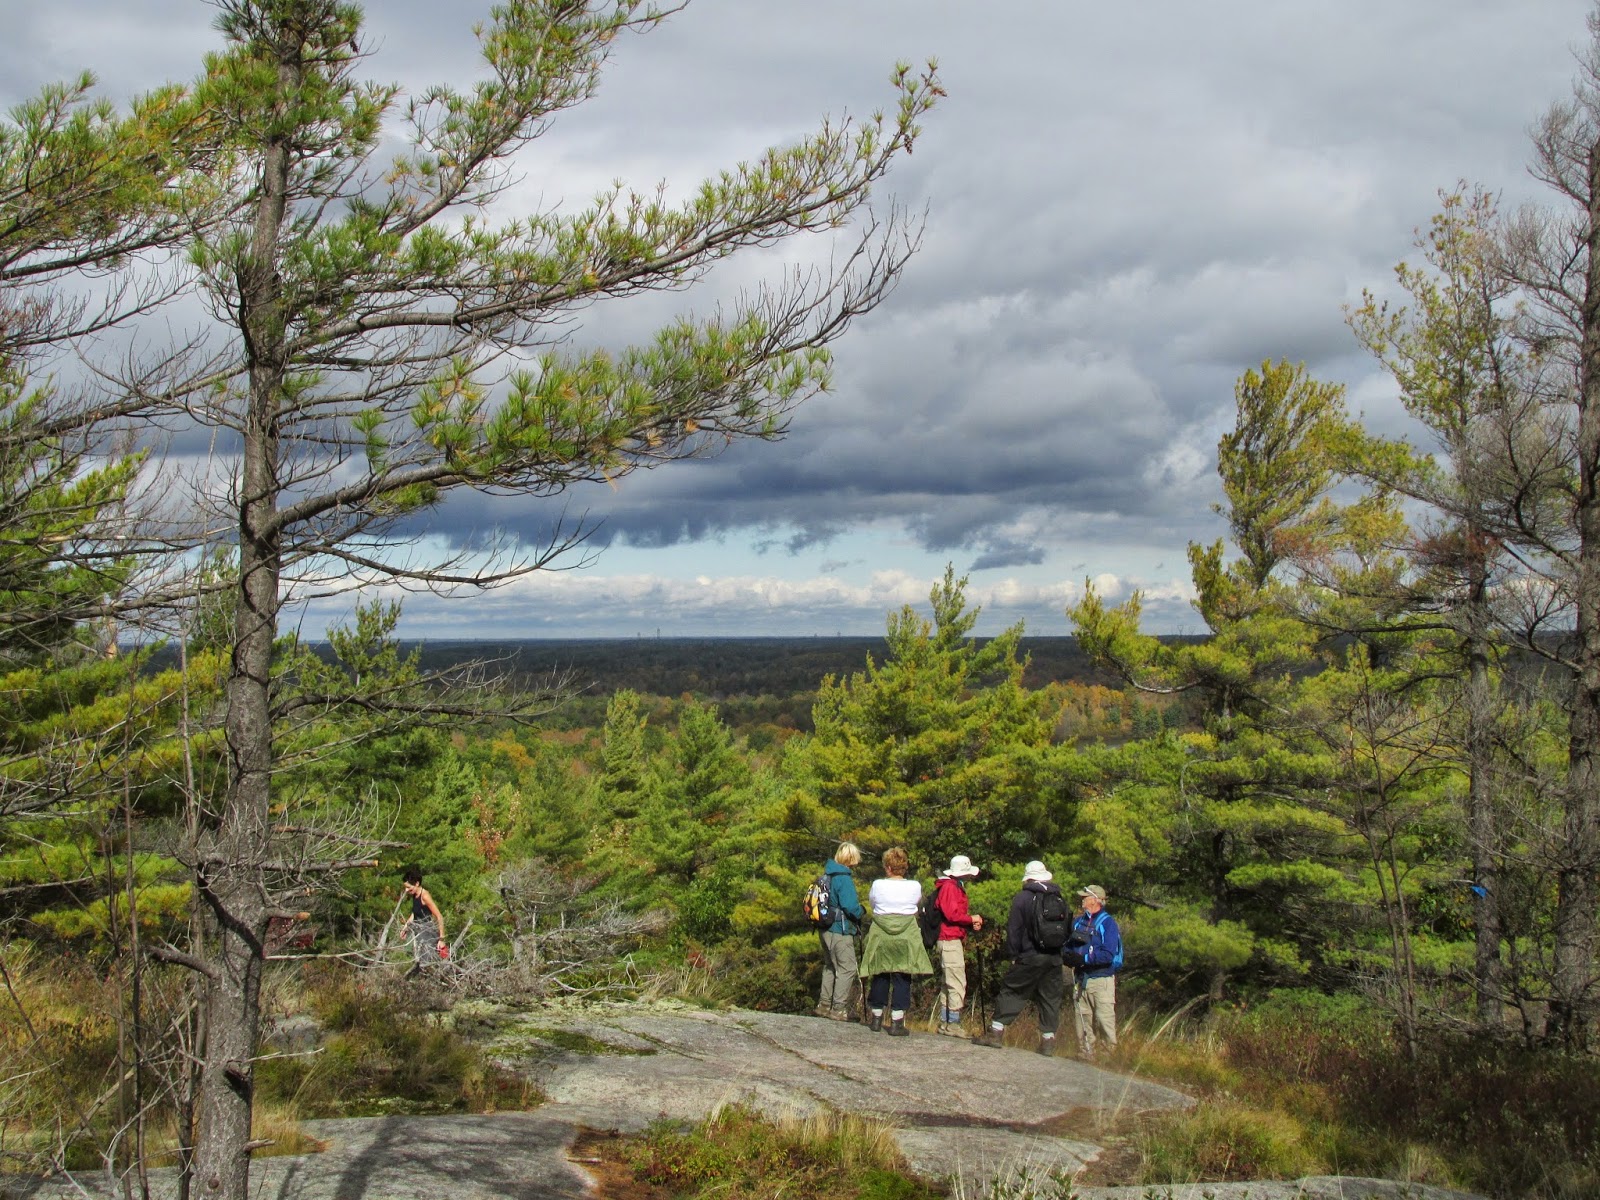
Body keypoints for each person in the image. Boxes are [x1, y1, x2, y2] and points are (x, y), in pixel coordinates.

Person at [974, 860, 1067, 1055]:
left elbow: (1014, 929)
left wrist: (1013, 954)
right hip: (1054, 957)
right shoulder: (1058, 896)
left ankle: (995, 1033)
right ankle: (1048, 1041)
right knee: (1050, 998)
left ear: (1028, 878)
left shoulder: (1023, 898)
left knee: (1012, 990)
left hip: (1029, 955)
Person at [858, 846, 933, 1036]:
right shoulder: (914, 886)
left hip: (882, 932)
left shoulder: (878, 885)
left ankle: (876, 1018)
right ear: (904, 867)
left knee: (880, 972)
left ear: (888, 867)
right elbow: (916, 904)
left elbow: (873, 904)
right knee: (902, 974)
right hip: (906, 933)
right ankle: (897, 1021)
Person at [930, 853, 984, 1038]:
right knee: (956, 981)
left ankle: (945, 1021)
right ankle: (953, 1023)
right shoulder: (951, 888)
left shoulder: (951, 886)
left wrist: (969, 922)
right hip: (949, 939)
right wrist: (971, 919)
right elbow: (952, 914)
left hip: (949, 938)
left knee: (949, 981)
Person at [1068, 884, 1122, 1060]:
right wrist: (1068, 956)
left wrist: (1083, 959)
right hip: (1081, 978)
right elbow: (1068, 945)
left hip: (1101, 979)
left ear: (1095, 900)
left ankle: (1108, 1057)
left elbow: (1108, 954)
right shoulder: (1078, 922)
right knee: (1082, 1017)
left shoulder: (1108, 923)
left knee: (1105, 1018)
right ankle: (1086, 1052)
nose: (1082, 900)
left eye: (1085, 897)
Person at [816, 842, 866, 1021]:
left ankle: (824, 1005)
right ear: (851, 858)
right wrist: (861, 911)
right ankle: (838, 1008)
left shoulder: (827, 875)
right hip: (840, 929)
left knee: (830, 965)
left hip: (825, 928)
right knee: (847, 968)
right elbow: (850, 907)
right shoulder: (843, 878)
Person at [400, 867, 447, 977]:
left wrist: (442, 939)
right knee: (414, 958)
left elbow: (439, 916)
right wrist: (405, 927)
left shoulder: (424, 895)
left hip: (427, 932)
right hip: (418, 931)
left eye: (408, 887)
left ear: (417, 883)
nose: (406, 890)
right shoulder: (414, 895)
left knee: (426, 962)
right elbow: (415, 913)